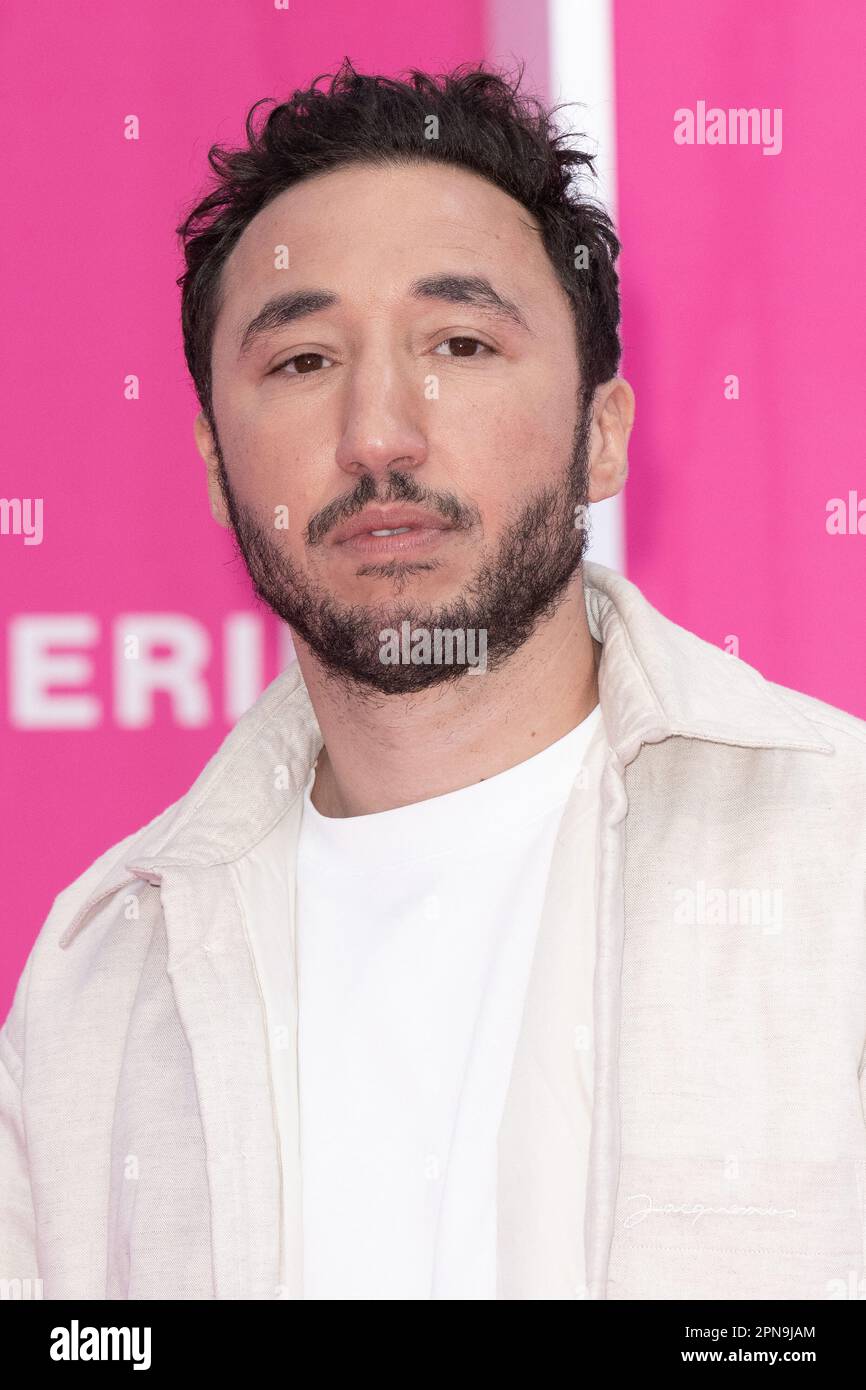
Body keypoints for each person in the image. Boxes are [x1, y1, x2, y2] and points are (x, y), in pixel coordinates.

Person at [1, 57, 864, 1302]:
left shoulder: (836, 862)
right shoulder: (95, 976)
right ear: (211, 465)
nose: (379, 434)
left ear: (601, 432)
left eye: (459, 343)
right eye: (301, 361)